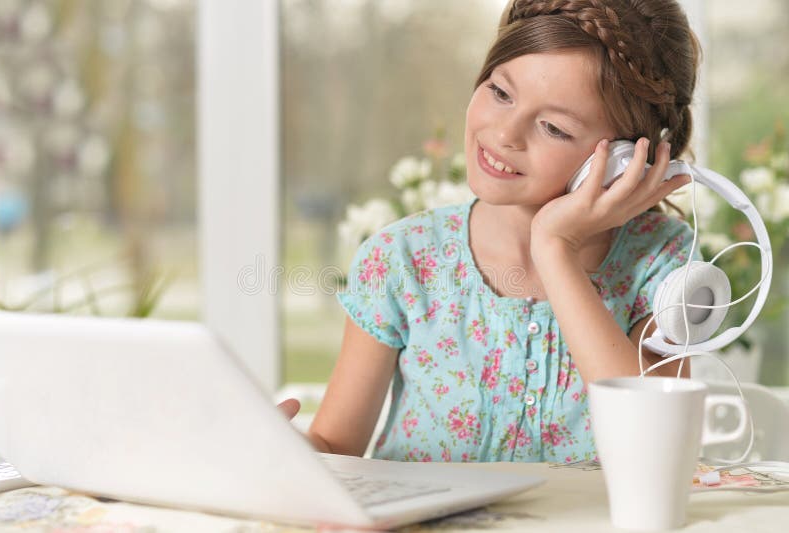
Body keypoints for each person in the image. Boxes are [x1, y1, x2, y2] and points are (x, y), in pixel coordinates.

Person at [279, 0, 701, 463]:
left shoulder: (663, 261)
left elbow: (654, 445)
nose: (505, 134)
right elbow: (334, 448)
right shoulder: (402, 258)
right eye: (501, 93)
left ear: (626, 159)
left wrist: (555, 249)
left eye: (553, 128)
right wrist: (279, 447)